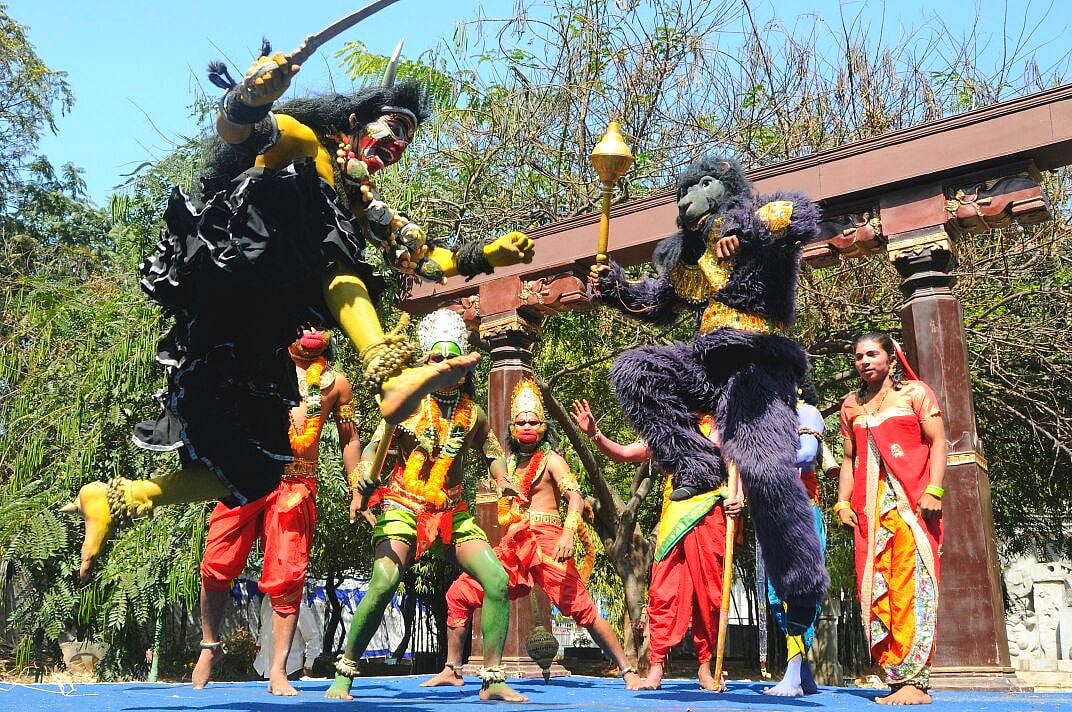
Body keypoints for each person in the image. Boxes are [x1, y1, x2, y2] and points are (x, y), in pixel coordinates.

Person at [63, 39, 534, 580]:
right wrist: (251, 97)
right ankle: (387, 371)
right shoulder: (308, 146)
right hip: (230, 284)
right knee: (328, 238)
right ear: (355, 121)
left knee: (257, 467)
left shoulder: (360, 202)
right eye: (392, 129)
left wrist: (487, 256)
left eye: (406, 140)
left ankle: (120, 497)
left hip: (247, 341)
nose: (398, 145)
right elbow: (241, 132)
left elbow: (424, 257)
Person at [588, 157, 826, 640]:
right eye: (681, 193)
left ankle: (801, 582)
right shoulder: (689, 262)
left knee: (764, 469)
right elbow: (654, 302)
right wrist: (615, 289)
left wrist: (742, 229)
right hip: (705, 365)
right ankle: (694, 462)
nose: (686, 200)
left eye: (701, 186)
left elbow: (801, 215)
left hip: (758, 366)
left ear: (727, 187)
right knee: (635, 371)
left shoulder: (762, 223)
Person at [328, 309, 524, 702]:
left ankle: (492, 680)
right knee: (384, 583)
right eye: (438, 358)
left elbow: (492, 453)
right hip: (404, 503)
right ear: (426, 363)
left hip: (452, 510)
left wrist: (504, 481)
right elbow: (373, 449)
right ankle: (345, 672)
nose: (446, 366)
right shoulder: (408, 405)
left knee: (497, 580)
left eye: (453, 359)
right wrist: (363, 475)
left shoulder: (474, 416)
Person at [423, 383, 643, 695]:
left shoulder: (552, 460)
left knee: (582, 609)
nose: (527, 426)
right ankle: (452, 669)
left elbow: (575, 498)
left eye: (533, 421)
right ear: (512, 429)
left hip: (550, 542)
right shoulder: (508, 465)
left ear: (543, 427)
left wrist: (568, 534)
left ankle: (628, 670)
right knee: (460, 593)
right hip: (515, 543)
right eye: (521, 422)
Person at [191, 328, 359, 695]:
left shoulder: (336, 383)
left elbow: (349, 438)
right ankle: (209, 644)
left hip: (295, 486)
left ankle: (279, 671)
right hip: (248, 478)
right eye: (305, 322)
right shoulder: (259, 366)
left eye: (319, 324)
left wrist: (356, 486)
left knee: (287, 575)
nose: (312, 331)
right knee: (217, 562)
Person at [569, 399, 743, 691]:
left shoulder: (726, 426)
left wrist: (738, 499)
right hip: (676, 517)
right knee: (663, 592)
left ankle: (706, 667)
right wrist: (594, 434)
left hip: (712, 513)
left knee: (710, 595)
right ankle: (656, 668)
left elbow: (737, 470)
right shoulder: (669, 428)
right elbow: (625, 453)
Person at [836, 332, 945, 705]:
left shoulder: (915, 394)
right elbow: (849, 459)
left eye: (872, 354)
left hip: (912, 508)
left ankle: (916, 680)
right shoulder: (851, 405)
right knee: (875, 586)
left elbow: (938, 442)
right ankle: (895, 675)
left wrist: (935, 490)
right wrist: (842, 502)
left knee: (909, 586)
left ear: (892, 358)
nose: (864, 362)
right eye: (858, 357)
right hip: (870, 514)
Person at [763, 381, 826, 697]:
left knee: (799, 593)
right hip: (774, 517)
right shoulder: (767, 420)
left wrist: (761, 459)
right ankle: (803, 676)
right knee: (777, 597)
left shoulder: (808, 413)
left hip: (801, 515)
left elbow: (807, 453)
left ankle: (792, 675)